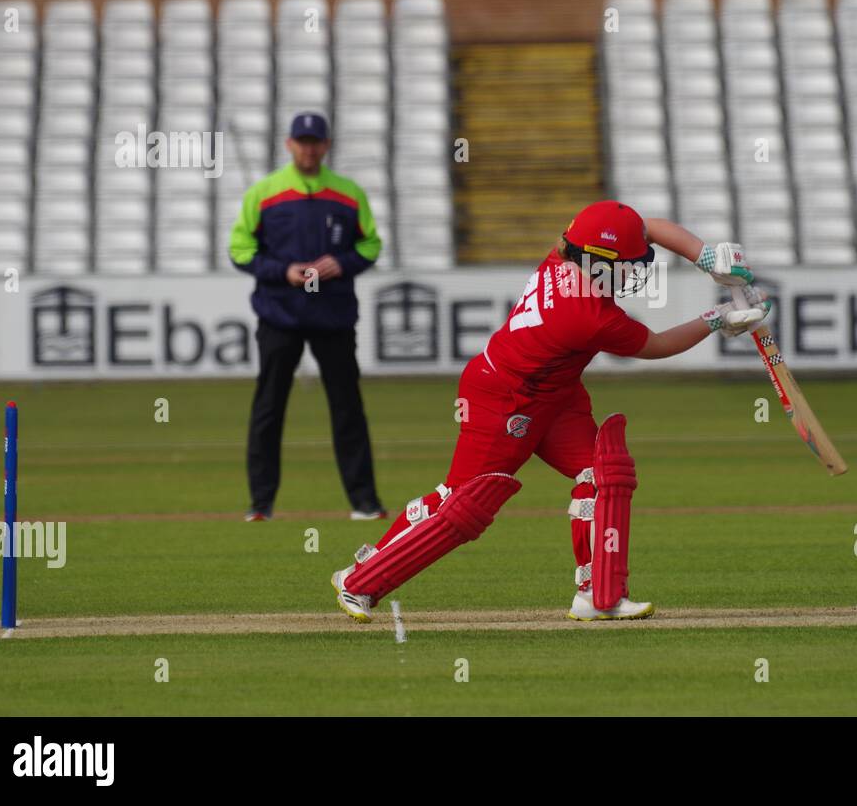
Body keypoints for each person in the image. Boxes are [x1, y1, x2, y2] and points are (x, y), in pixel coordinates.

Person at [331, 199, 769, 622]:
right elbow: (657, 346)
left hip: (557, 395)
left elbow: (647, 226)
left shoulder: (566, 254)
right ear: (599, 260)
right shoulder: (589, 314)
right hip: (502, 399)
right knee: (462, 504)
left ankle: (598, 594)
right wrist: (718, 318)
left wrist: (706, 255)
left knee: (603, 474)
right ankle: (362, 578)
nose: (636, 273)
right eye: (630, 266)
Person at [229, 112, 387, 522]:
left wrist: (342, 262)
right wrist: (283, 272)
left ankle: (365, 503)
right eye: (302, 140)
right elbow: (240, 249)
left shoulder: (349, 194)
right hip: (280, 315)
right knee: (268, 408)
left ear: (326, 145)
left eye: (315, 141)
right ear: (289, 144)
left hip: (332, 316)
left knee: (348, 408)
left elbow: (371, 245)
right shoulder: (263, 193)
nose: (308, 148)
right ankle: (260, 505)